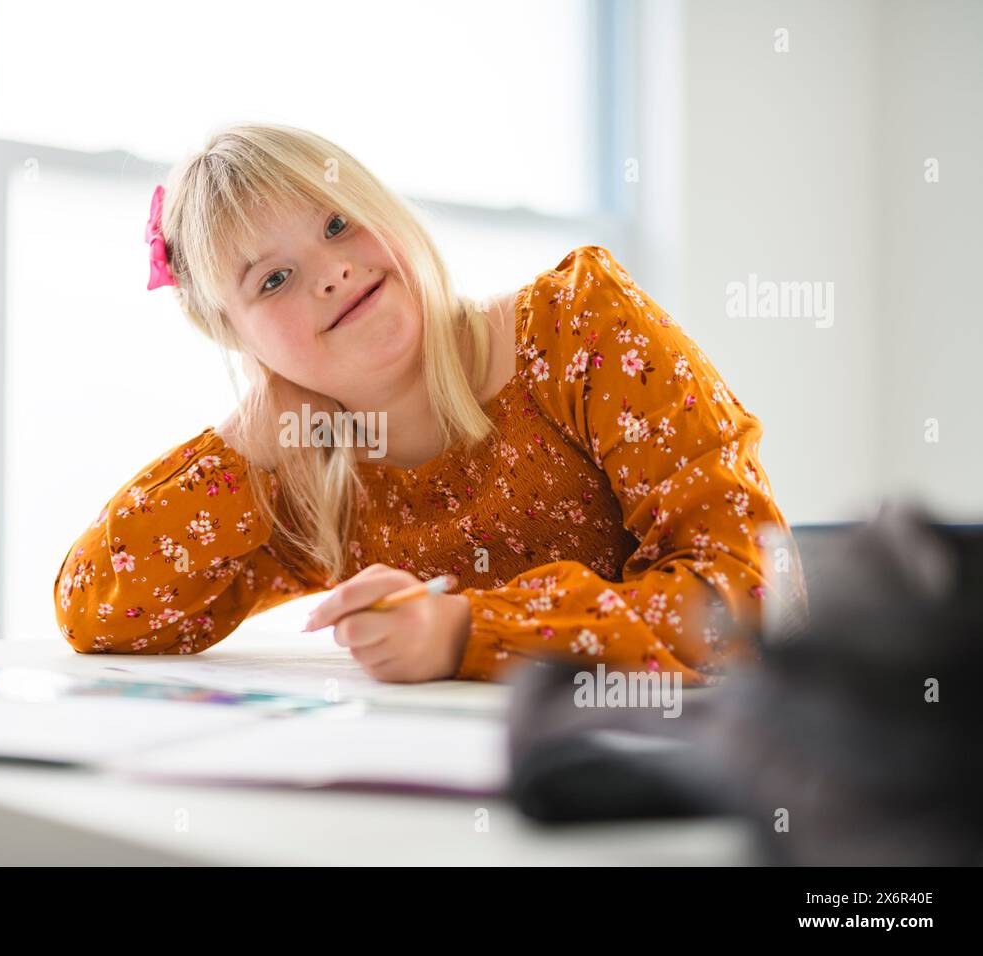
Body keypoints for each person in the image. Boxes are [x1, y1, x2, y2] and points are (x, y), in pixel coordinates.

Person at [53, 122, 806, 685]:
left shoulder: (579, 329)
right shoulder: (312, 476)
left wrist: (463, 632)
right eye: (272, 280)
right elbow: (99, 612)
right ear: (238, 338)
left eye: (337, 223)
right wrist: (249, 437)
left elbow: (750, 601)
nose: (331, 272)